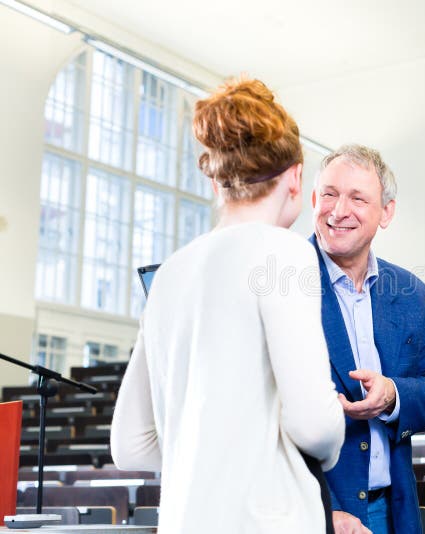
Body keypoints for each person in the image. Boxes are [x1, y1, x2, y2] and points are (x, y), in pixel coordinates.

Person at [111, 77, 345, 533]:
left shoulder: (170, 272)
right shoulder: (283, 251)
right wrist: (329, 435)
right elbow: (315, 426)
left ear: (217, 182)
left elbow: (129, 444)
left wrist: (209, 452)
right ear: (295, 177)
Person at [310, 144, 425, 534]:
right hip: (315, 511)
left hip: (393, 510)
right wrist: (323, 510)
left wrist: (394, 394)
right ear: (313, 200)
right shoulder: (282, 284)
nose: (339, 210)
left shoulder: (410, 292)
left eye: (358, 198)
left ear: (386, 212)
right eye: (329, 194)